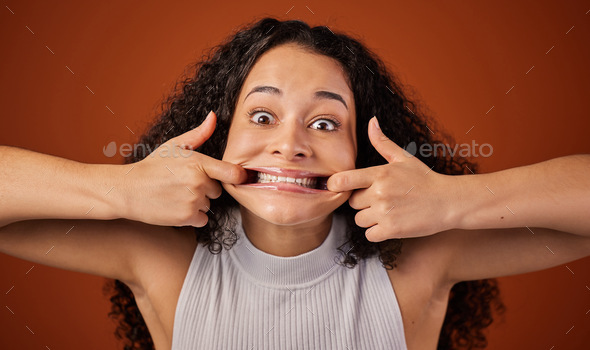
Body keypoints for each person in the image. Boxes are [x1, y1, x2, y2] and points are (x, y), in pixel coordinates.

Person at [1, 17, 589, 350]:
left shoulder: (416, 263)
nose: (291, 144)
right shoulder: (161, 257)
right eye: (262, 116)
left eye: (325, 122)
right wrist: (121, 190)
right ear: (220, 138)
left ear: (359, 151)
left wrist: (454, 201)